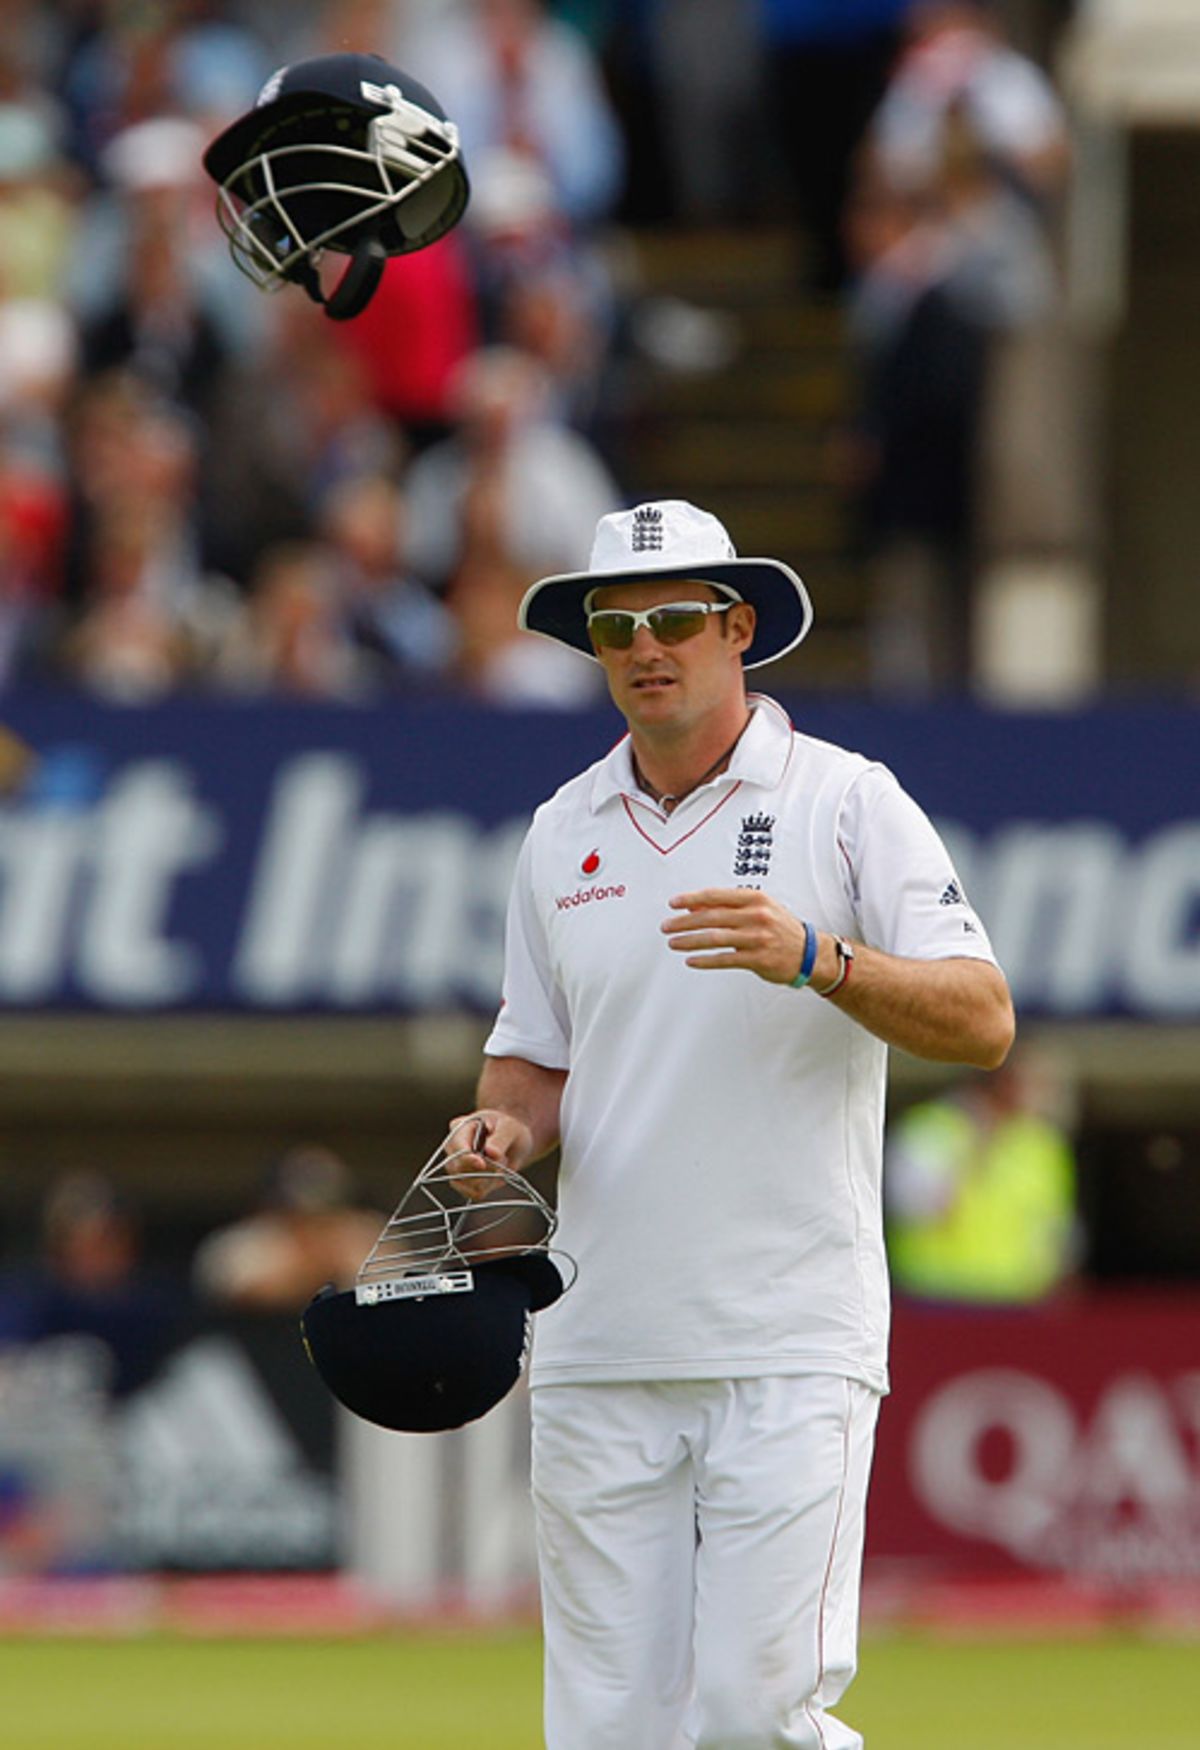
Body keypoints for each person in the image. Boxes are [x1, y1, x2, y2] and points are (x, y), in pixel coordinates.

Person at [441, 497, 1015, 1748]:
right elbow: (529, 1064)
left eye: (677, 620)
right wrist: (498, 1134)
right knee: (605, 1729)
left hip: (788, 1337)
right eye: (616, 626)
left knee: (759, 1717)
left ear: (738, 626)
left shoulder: (848, 803)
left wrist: (821, 958)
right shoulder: (560, 833)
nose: (647, 647)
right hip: (597, 1341)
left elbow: (983, 1017)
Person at [885, 1051, 1078, 1304]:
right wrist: (975, 1151)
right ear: (1002, 1082)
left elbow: (1055, 1231)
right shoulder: (930, 1129)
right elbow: (912, 1206)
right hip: (934, 1299)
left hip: (1017, 1303)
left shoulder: (1042, 1144)